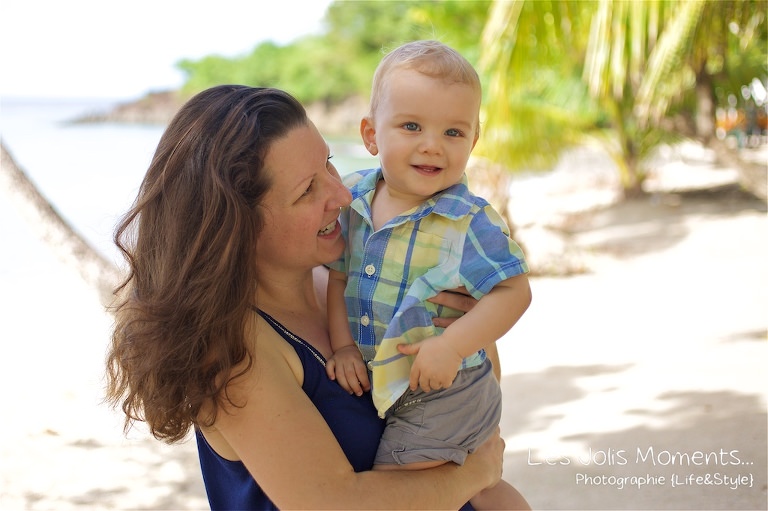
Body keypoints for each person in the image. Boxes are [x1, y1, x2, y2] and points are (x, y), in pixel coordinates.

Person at [104, 84, 526, 510]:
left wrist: (472, 327)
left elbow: (475, 390)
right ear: (236, 225)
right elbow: (332, 504)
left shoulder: (358, 278)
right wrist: (476, 475)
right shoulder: (231, 350)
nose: (342, 195)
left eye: (329, 163)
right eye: (307, 190)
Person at [325, 41, 532, 510]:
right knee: (478, 485)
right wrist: (341, 346)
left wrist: (452, 344)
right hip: (396, 381)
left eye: (453, 132)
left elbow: (514, 291)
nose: (432, 145)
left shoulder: (467, 219)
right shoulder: (354, 198)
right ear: (371, 134)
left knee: (403, 487)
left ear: (473, 140)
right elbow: (338, 278)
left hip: (445, 389)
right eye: (411, 126)